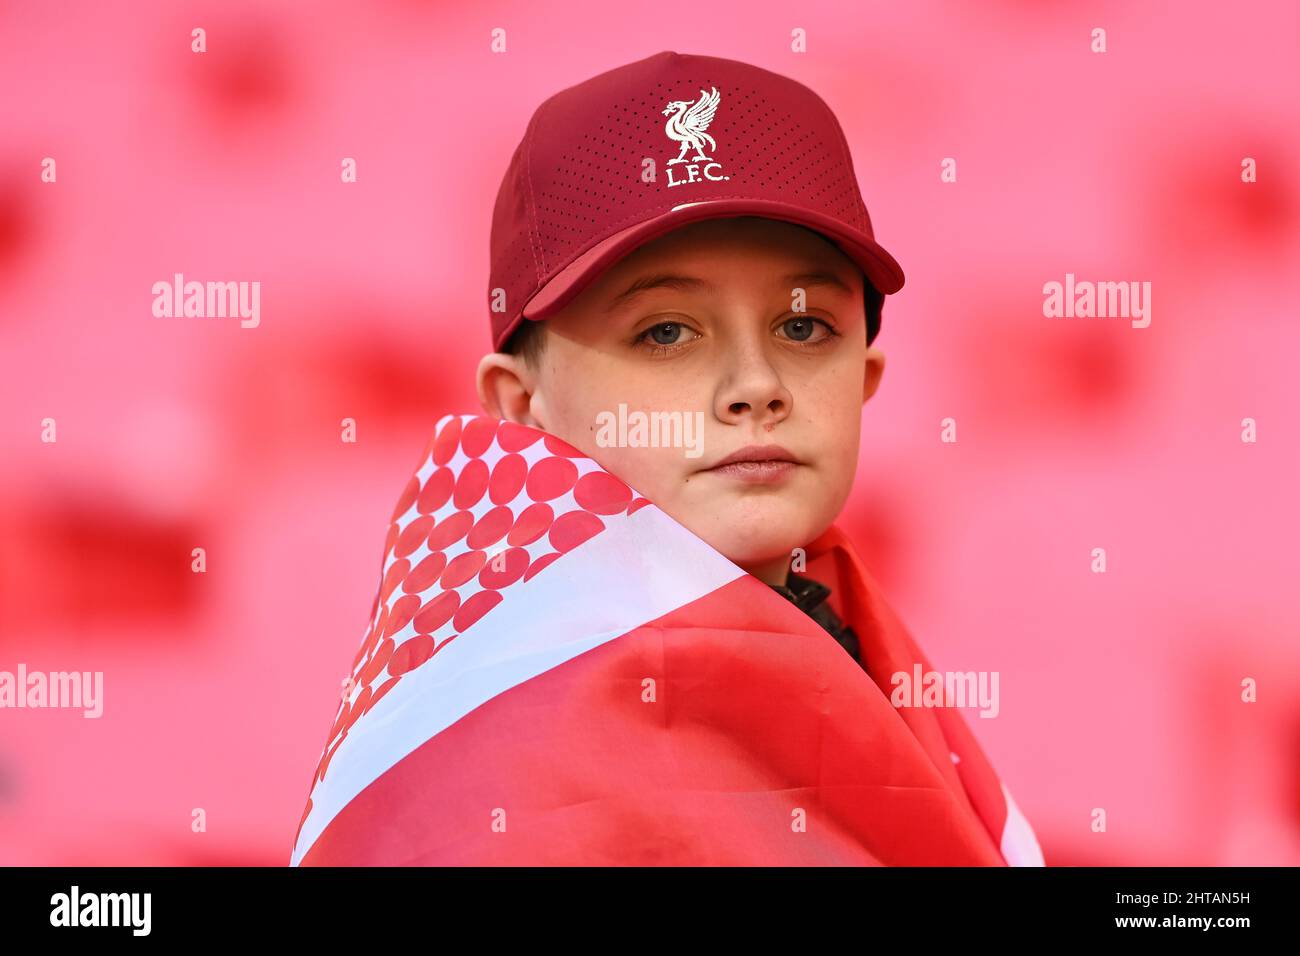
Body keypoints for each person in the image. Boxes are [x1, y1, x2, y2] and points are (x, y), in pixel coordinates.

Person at [290, 51, 1044, 867]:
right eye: (665, 332)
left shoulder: (861, 657)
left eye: (802, 327)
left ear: (864, 381)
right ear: (520, 410)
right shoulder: (476, 749)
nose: (755, 387)